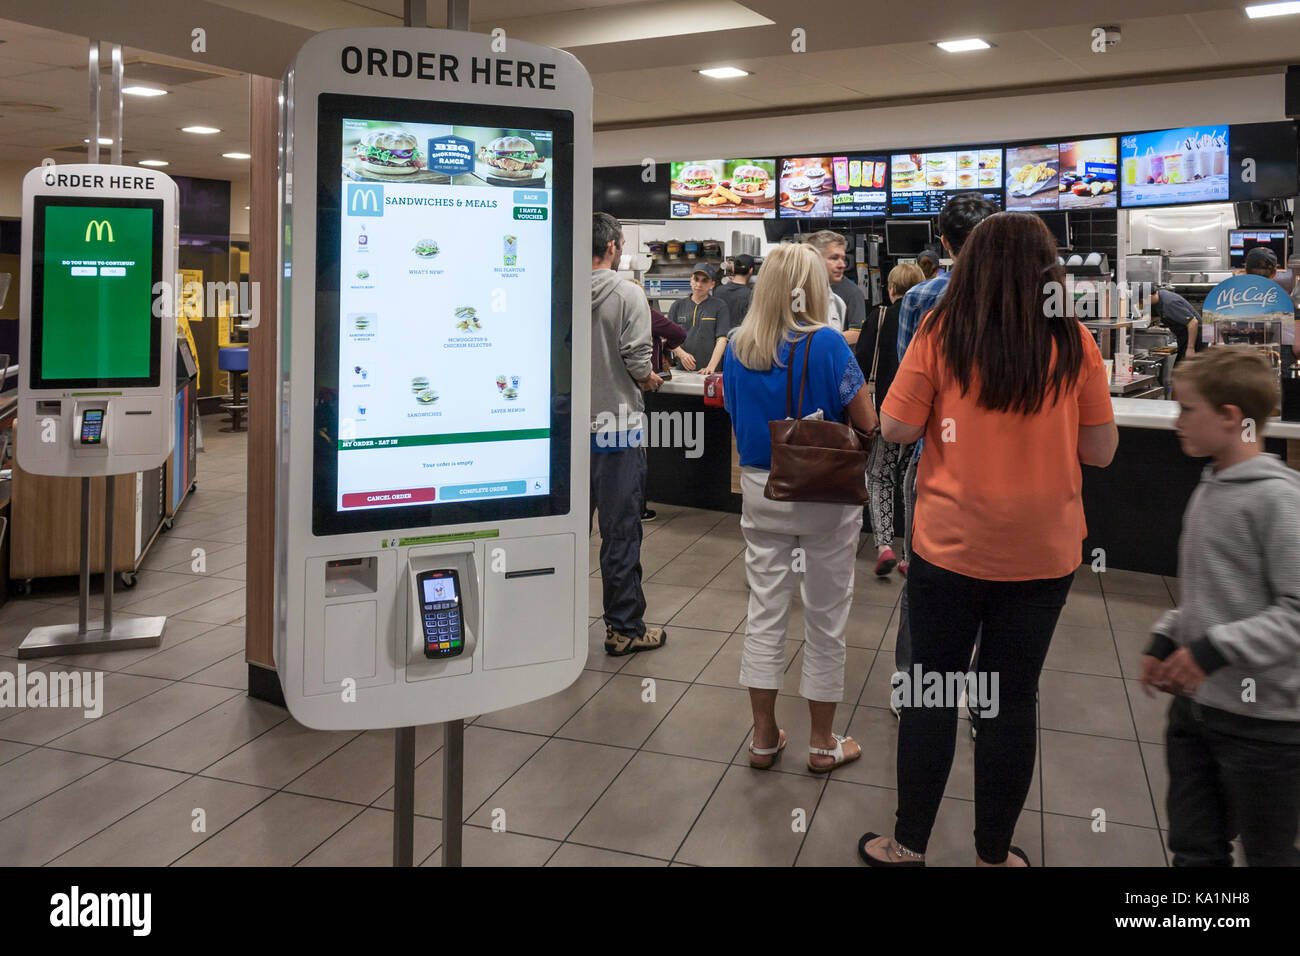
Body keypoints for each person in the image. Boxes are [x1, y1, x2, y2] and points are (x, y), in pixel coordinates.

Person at [859, 212, 1118, 867]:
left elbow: (893, 428)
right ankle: (992, 856)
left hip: (950, 548)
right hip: (1043, 554)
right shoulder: (1075, 341)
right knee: (1009, 704)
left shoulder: (942, 333)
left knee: (931, 693)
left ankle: (907, 844)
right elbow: (1103, 451)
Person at [722, 242, 878, 773]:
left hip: (761, 490)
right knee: (826, 616)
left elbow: (737, 417)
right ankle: (821, 741)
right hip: (824, 494)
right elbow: (867, 420)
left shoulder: (740, 345)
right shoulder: (829, 343)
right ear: (813, 288)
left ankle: (764, 738)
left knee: (764, 610)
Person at [1142, 347, 1300, 867]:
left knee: (1268, 854)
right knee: (1193, 847)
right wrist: (1168, 635)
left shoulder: (1278, 501)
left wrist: (1214, 649)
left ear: (1231, 417)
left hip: (1266, 729)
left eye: (1187, 409)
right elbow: (1210, 595)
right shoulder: (1213, 485)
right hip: (1197, 712)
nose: (1176, 419)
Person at [891, 194, 998, 720]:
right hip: (1000, 464)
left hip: (933, 456)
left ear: (943, 240)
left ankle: (913, 689)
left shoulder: (920, 297)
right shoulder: (1019, 297)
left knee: (925, 575)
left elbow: (906, 399)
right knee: (995, 587)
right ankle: (983, 705)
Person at [590, 213, 667, 656]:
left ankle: (553, 630)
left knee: (566, 532)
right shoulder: (628, 293)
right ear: (615, 247)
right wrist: (649, 379)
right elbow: (638, 361)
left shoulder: (559, 289)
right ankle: (624, 629)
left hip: (568, 430)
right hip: (617, 431)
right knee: (619, 532)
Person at [856, 263, 924, 577]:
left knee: (881, 476)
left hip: (884, 412)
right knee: (912, 485)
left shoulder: (878, 317)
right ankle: (911, 555)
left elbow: (859, 366)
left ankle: (884, 545)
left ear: (891, 289)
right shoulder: (930, 320)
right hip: (919, 418)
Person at [668, 263, 731, 374]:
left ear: (712, 284)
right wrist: (682, 355)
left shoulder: (720, 306)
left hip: (710, 372)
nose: (699, 284)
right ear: (690, 280)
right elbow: (667, 338)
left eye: (704, 281)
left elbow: (722, 340)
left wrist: (711, 367)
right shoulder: (677, 305)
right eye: (696, 279)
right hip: (682, 371)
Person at [804, 229, 863, 344]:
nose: (842, 265)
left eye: (843, 259)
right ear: (814, 259)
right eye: (834, 258)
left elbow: (857, 333)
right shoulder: (791, 295)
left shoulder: (838, 302)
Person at [1151, 287, 1201, 363]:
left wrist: (1190, 348)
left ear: (1149, 296)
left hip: (1195, 337)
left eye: (1143, 300)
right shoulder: (1158, 299)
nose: (1144, 303)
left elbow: (1193, 322)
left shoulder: (1169, 303)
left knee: (1187, 370)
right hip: (1183, 337)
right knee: (1180, 368)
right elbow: (1155, 315)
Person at [713, 253, 756, 324]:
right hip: (741, 334)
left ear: (733, 269)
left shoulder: (718, 291)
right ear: (751, 270)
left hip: (721, 334)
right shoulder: (751, 295)